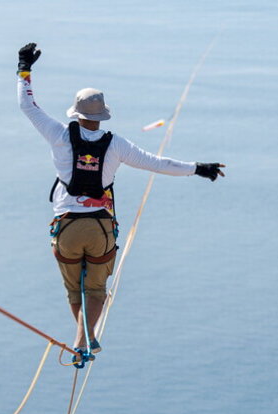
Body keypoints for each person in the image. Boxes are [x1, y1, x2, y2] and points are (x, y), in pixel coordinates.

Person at [16, 42, 224, 367]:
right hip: (100, 227)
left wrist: (24, 70)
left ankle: (81, 338)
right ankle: (86, 338)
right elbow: (159, 163)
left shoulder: (57, 134)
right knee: (96, 289)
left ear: (75, 112)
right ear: (101, 116)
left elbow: (28, 106)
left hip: (67, 227)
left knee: (75, 290)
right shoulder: (117, 145)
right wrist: (198, 168)